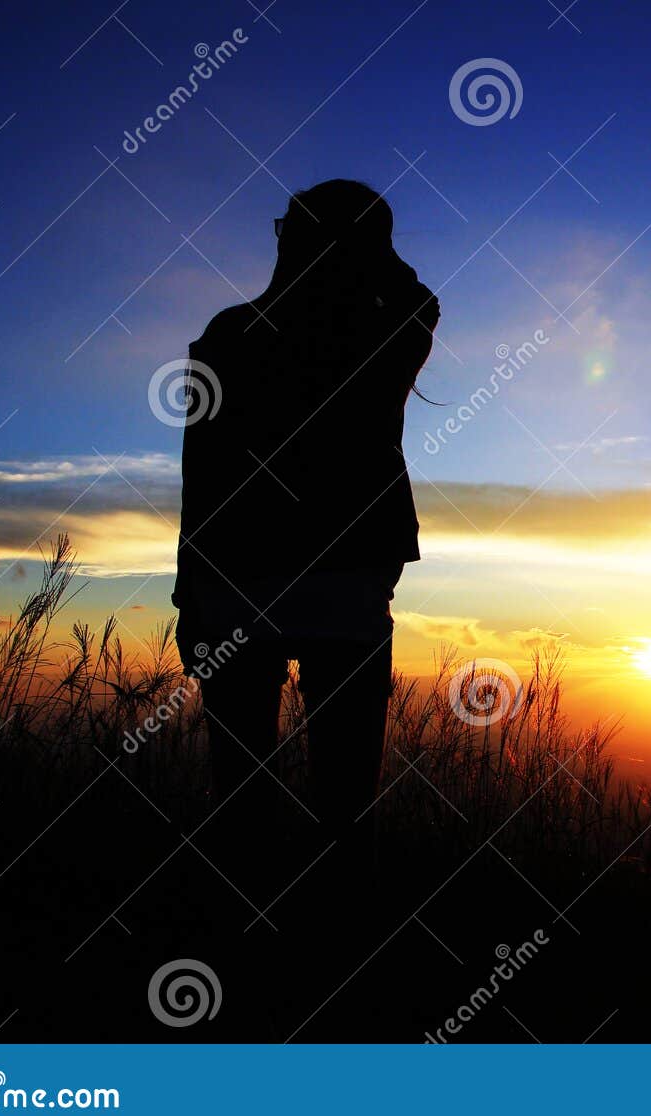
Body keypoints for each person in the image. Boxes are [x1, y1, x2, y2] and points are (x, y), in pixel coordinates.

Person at [172, 179, 439, 848]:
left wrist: (188, 592)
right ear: (374, 249)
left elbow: (200, 471)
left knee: (240, 803)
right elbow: (420, 300)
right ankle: (338, 939)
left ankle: (242, 932)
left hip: (236, 576)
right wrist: (372, 251)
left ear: (289, 239)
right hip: (346, 577)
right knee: (346, 815)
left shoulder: (228, 336)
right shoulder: (384, 333)